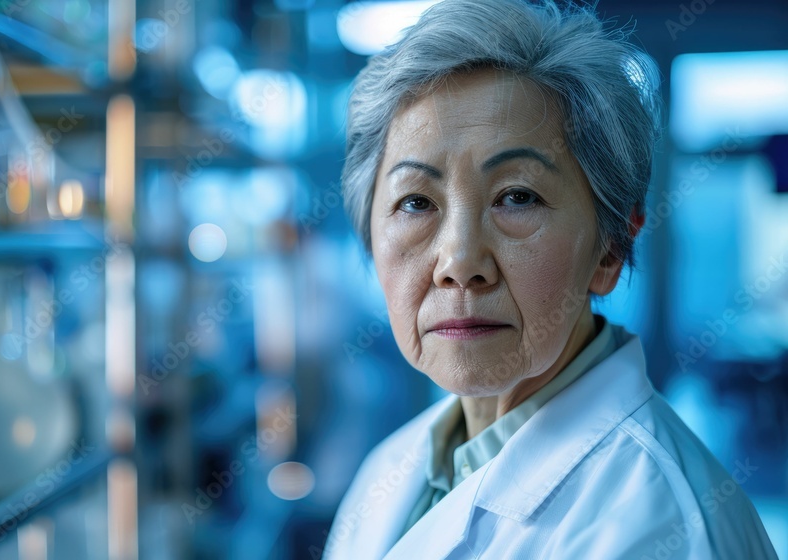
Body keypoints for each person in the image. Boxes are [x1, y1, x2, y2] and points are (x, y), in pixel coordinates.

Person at [323, 0, 778, 558]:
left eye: (518, 197)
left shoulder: (660, 526)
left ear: (611, 247)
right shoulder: (389, 471)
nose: (459, 262)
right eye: (416, 202)